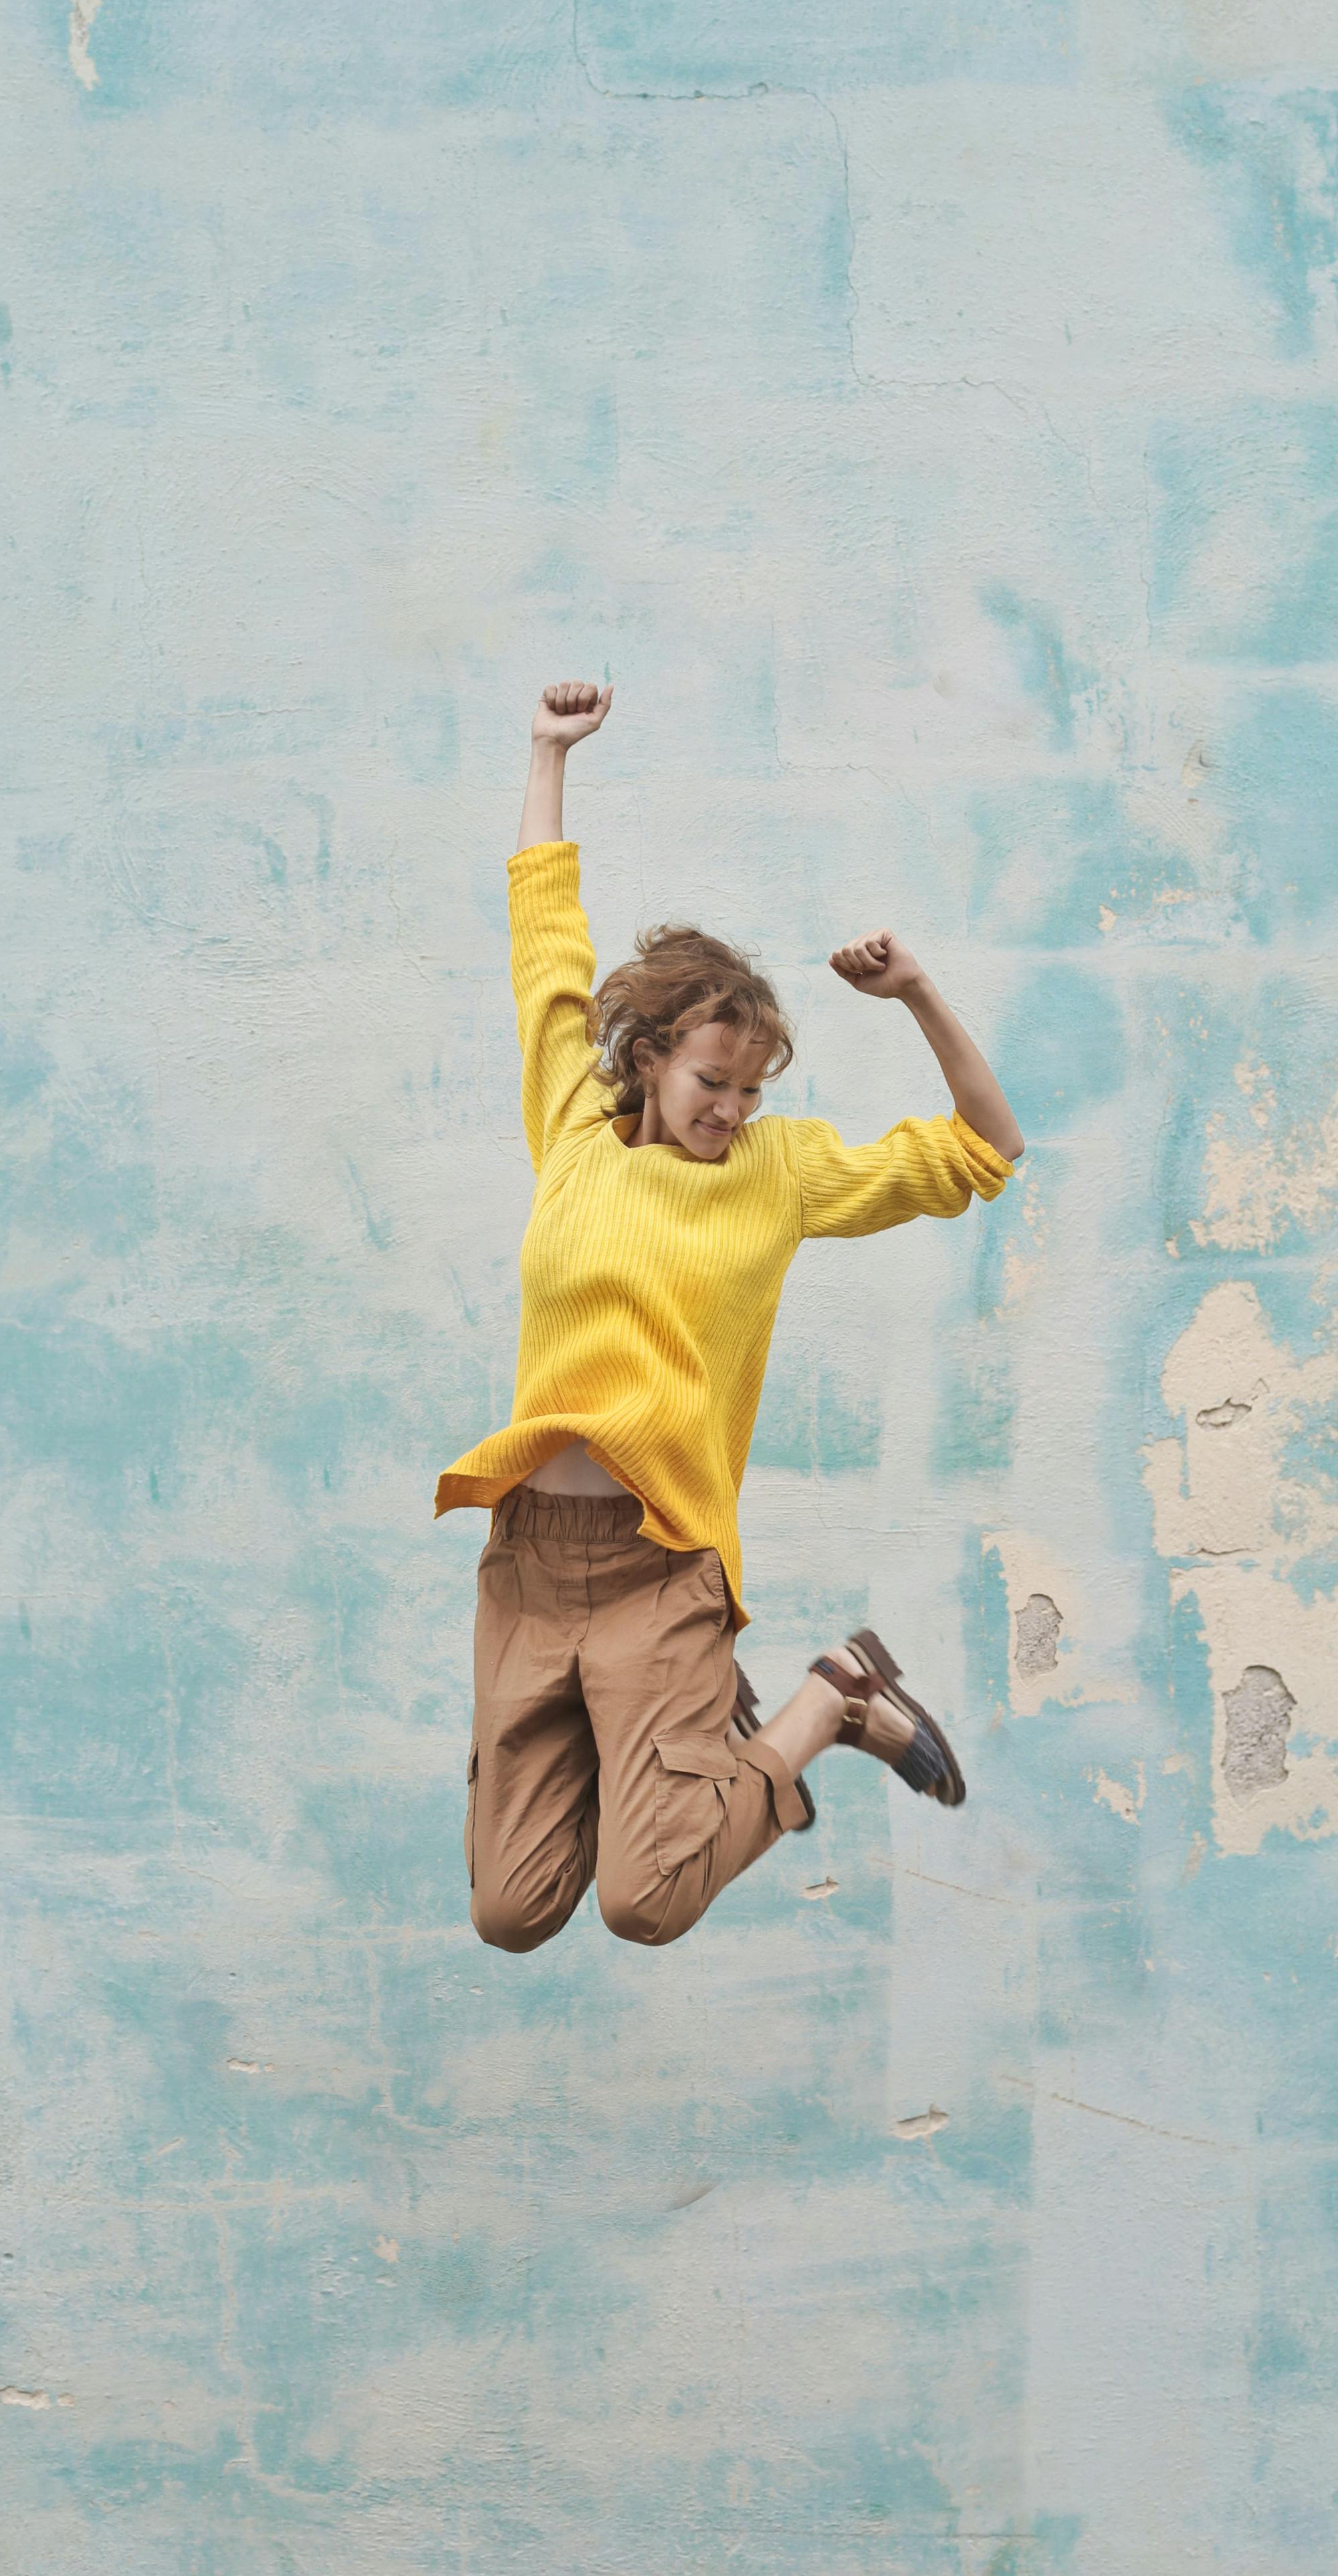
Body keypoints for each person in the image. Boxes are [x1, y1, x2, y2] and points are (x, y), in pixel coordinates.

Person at [436, 679, 1026, 1953]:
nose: (731, 1109)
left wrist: (918, 992)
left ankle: (824, 1702)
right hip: (530, 1562)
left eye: (752, 1088)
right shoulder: (572, 1135)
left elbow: (987, 1150)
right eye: (712, 1080)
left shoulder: (780, 1171)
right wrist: (547, 752)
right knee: (511, 1910)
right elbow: (545, 938)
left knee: (646, 1900)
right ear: (645, 1057)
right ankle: (689, 1740)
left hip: (660, 1567)